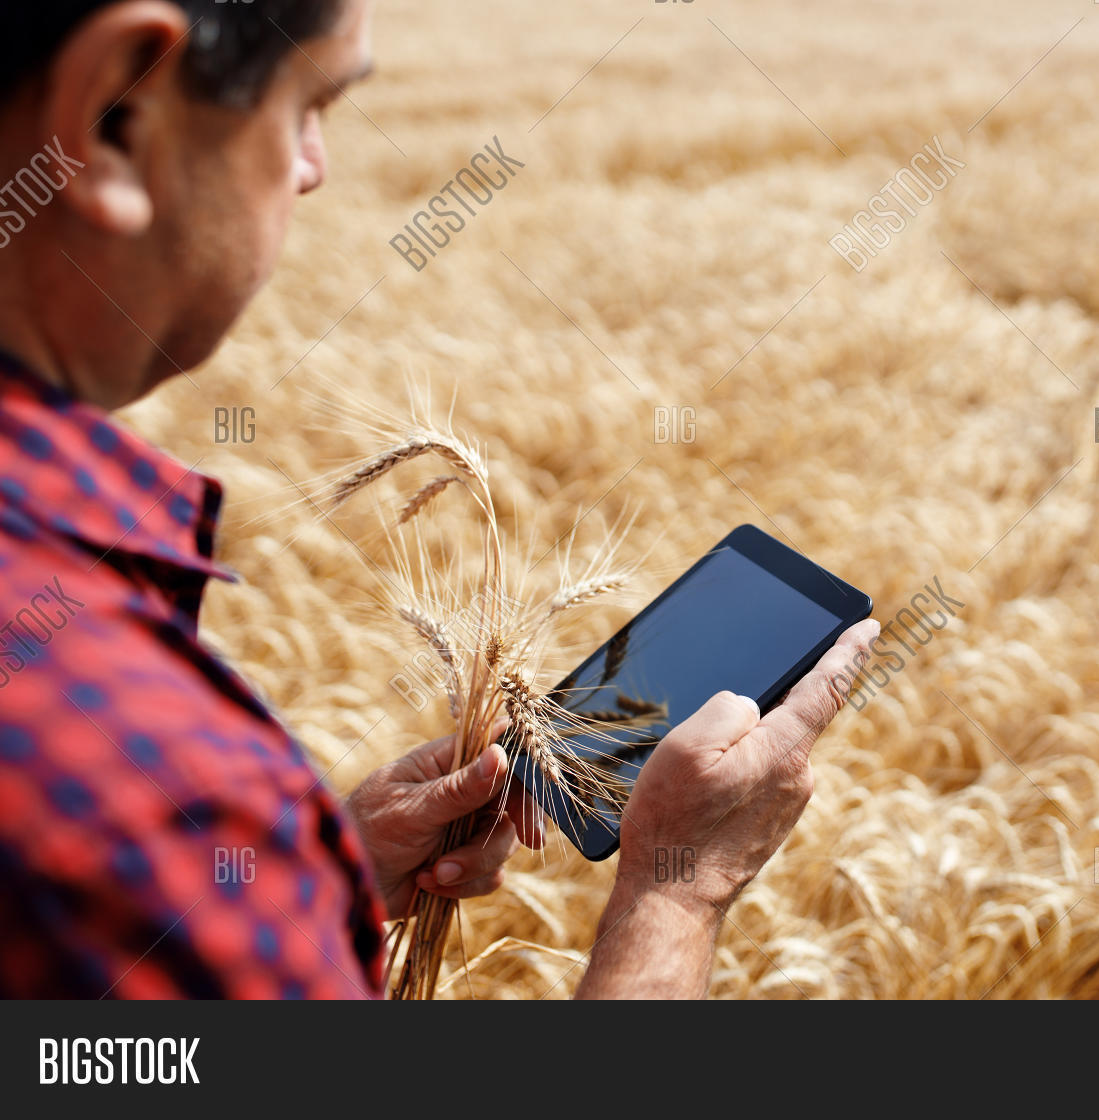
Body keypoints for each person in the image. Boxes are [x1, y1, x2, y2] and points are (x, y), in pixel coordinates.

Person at [0, 0, 877, 999]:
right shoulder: (107, 745)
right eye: (310, 105)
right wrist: (679, 890)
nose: (315, 167)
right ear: (116, 118)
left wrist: (311, 879)